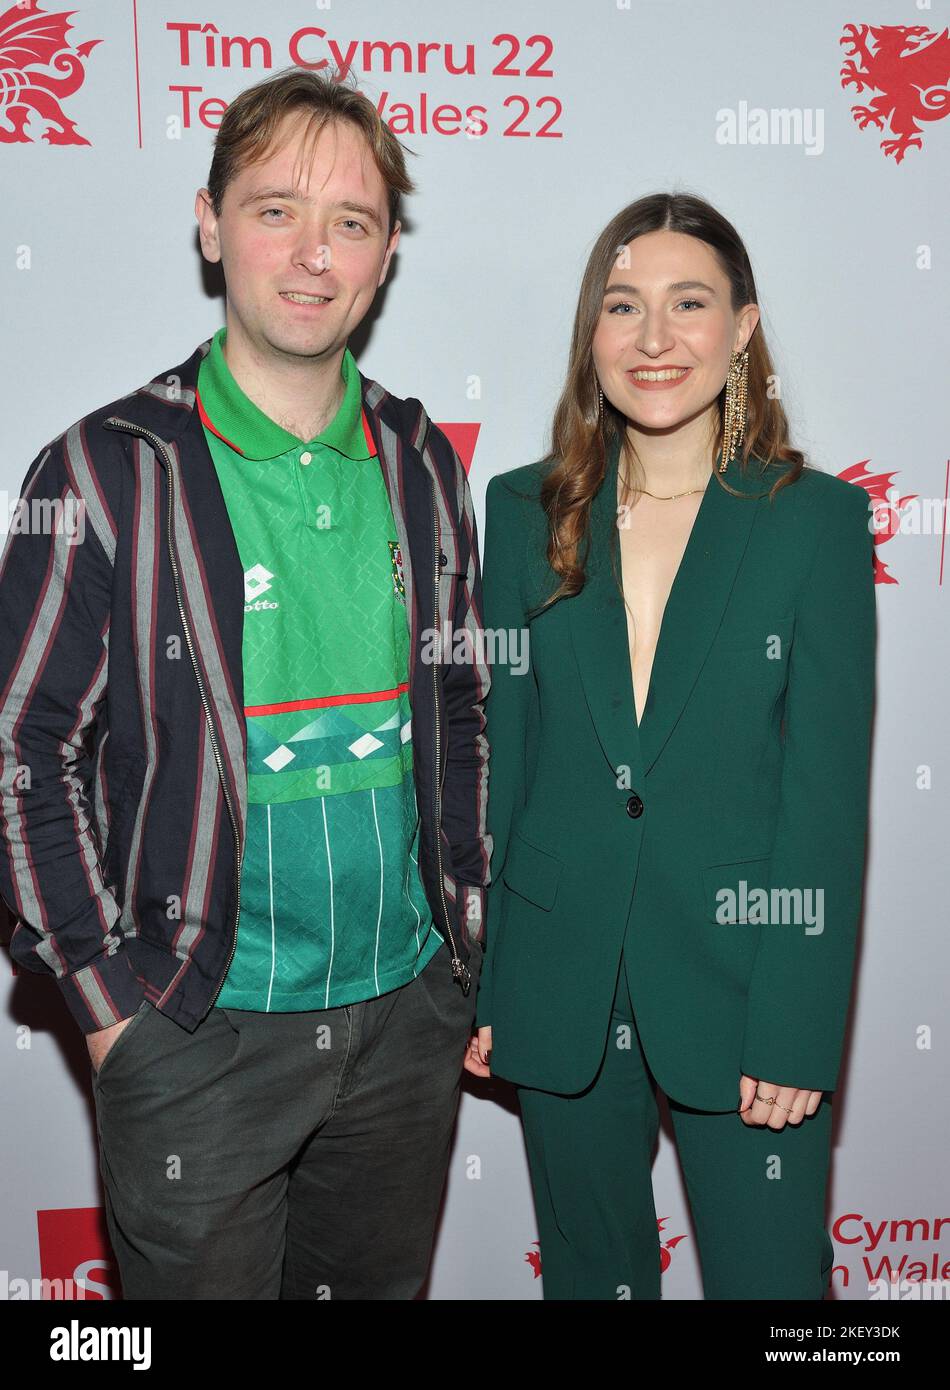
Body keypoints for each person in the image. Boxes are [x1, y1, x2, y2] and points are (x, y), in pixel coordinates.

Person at [0, 67, 490, 1300]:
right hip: (194, 1030)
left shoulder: (421, 456)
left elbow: (463, 707)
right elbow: (22, 751)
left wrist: (465, 948)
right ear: (210, 224)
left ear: (384, 253)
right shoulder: (108, 469)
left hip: (404, 1027)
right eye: (275, 209)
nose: (313, 254)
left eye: (353, 221)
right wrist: (112, 1008)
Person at [464, 192, 876, 1301]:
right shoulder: (517, 509)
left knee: (777, 1293)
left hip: (744, 986)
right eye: (621, 306)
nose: (652, 339)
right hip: (557, 980)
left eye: (686, 304)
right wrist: (489, 979)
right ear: (589, 333)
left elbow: (825, 797)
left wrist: (797, 1029)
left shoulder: (815, 522)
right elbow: (504, 752)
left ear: (740, 327)